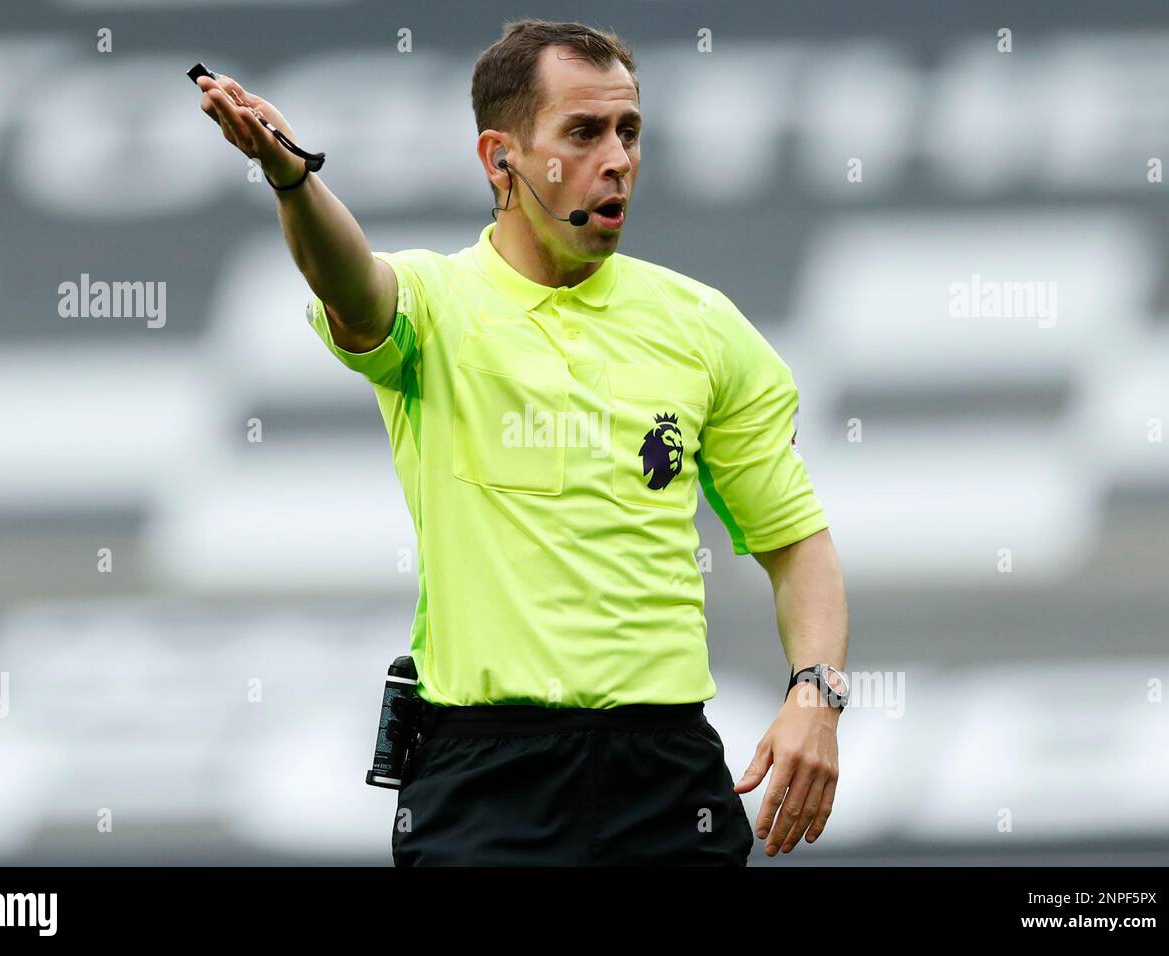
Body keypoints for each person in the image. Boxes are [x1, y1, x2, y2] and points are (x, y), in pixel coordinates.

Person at [194, 17, 850, 866]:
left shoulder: (704, 327)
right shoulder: (434, 306)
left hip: (666, 778)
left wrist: (817, 695)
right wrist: (291, 180)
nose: (617, 159)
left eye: (629, 131)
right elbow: (353, 287)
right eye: (583, 132)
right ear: (499, 158)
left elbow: (794, 539)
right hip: (484, 779)